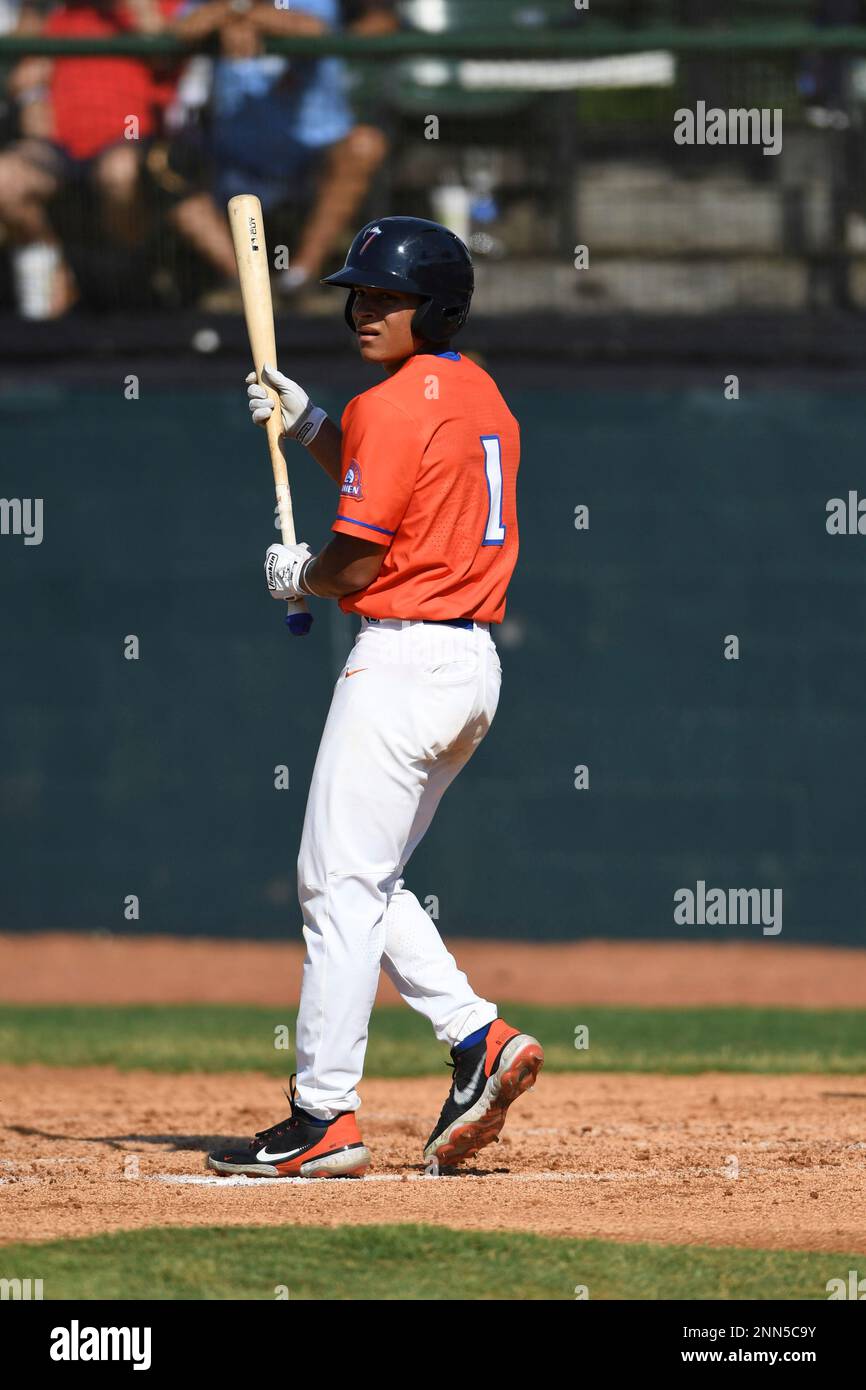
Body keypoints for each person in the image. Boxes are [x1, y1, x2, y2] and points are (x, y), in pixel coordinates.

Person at [207, 217, 543, 1180]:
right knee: (366, 877)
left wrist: (300, 576)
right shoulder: (478, 395)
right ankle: (478, 1037)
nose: (364, 310)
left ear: (435, 306)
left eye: (386, 297)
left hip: (401, 661)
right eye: (358, 294)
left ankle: (323, 1114)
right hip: (467, 669)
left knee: (334, 887)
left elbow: (357, 551)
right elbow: (389, 475)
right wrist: (311, 423)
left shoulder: (398, 403)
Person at [165, 0, 393, 302]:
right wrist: (236, 10)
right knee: (165, 164)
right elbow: (182, 29)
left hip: (312, 159)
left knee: (363, 145)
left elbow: (313, 28)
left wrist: (244, 17)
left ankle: (300, 279)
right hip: (231, 165)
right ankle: (247, 288)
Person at [0, 0, 178, 317]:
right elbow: (24, 77)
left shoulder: (161, 8)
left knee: (120, 172)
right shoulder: (67, 12)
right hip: (59, 144)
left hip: (130, 138)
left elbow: (165, 54)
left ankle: (130, 289)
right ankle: (54, 273)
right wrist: (30, 98)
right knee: (4, 178)